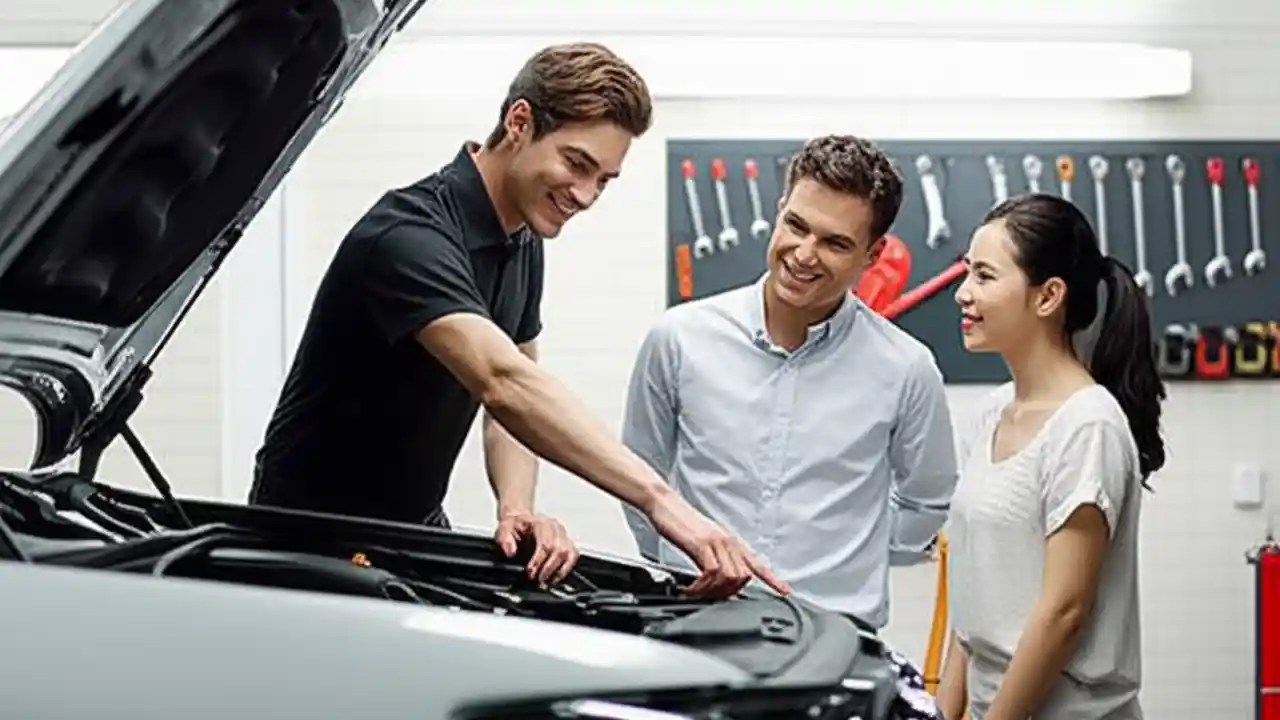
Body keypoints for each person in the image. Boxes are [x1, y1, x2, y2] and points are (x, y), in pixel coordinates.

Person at [249, 42, 790, 600]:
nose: (586, 195)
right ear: (519, 121)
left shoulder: (524, 240)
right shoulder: (405, 238)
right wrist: (661, 502)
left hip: (410, 529)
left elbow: (511, 401)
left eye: (604, 179)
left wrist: (516, 508)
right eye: (577, 163)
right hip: (309, 540)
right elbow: (504, 383)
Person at [619, 134, 959, 628]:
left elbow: (926, 502)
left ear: (873, 254)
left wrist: (846, 553)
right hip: (694, 622)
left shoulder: (906, 369)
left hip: (838, 637)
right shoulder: (678, 339)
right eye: (796, 226)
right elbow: (638, 475)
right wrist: (676, 562)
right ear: (779, 211)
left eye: (835, 243)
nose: (804, 254)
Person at [936, 193, 1166, 720]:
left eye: (984, 276)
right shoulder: (991, 414)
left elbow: (1063, 613)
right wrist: (941, 713)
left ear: (1048, 297)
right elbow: (972, 603)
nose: (963, 293)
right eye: (967, 272)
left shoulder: (1088, 425)